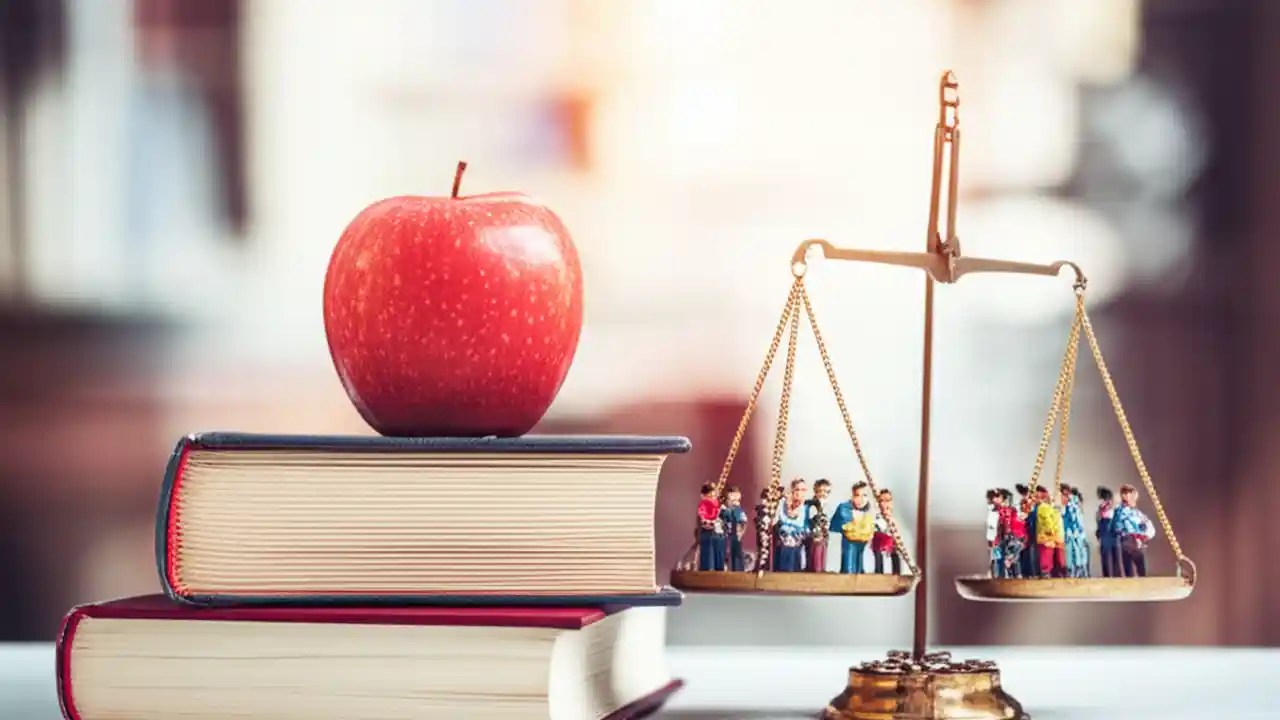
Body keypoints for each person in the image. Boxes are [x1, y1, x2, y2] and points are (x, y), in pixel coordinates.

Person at [830, 481, 875, 574]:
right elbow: (847, 529)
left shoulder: (868, 512)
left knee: (859, 564)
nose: (861, 499)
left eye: (865, 495)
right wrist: (861, 530)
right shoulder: (844, 508)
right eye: (857, 495)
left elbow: (869, 531)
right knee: (849, 564)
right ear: (852, 496)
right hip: (850, 543)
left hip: (861, 545)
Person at [1112, 483, 1157, 577]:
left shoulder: (1136, 512)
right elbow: (1120, 526)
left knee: (1139, 570)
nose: (1134, 498)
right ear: (1124, 495)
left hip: (1135, 542)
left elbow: (1147, 525)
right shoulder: (1122, 511)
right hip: (1128, 541)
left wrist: (1144, 535)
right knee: (1132, 571)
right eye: (1131, 495)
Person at [774, 478, 809, 572]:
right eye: (797, 489)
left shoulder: (806, 507)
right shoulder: (783, 503)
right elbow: (778, 518)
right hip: (784, 537)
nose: (799, 493)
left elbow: (805, 524)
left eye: (803, 490)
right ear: (792, 490)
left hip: (798, 538)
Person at [1034, 486, 1065, 578]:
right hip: (1055, 535)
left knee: (1046, 555)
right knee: (1054, 555)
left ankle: (1047, 573)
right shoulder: (1053, 508)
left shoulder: (1043, 507)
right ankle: (1055, 573)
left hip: (1046, 535)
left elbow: (1047, 521)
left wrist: (1050, 531)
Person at [995, 488, 1026, 578]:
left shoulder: (1010, 510)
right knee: (1002, 559)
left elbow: (1013, 523)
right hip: (1002, 538)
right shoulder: (999, 510)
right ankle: (1005, 576)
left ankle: (1016, 575)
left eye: (998, 497)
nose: (996, 499)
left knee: (1013, 558)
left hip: (1010, 537)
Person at [696, 483, 726, 571]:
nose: (713, 498)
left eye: (714, 496)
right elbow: (705, 522)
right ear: (703, 496)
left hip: (719, 536)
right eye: (710, 496)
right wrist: (713, 522)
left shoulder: (718, 506)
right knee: (708, 564)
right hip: (708, 536)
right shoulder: (703, 506)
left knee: (719, 564)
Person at [1061, 484, 1089, 578]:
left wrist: (1077, 532)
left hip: (1075, 534)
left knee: (1078, 555)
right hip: (1067, 535)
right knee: (1070, 557)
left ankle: (1080, 573)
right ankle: (1073, 573)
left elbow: (1078, 522)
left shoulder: (1073, 507)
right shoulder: (1064, 507)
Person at [872, 489, 901, 574]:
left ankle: (896, 573)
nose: (885, 504)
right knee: (877, 546)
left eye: (888, 500)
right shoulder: (877, 518)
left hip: (890, 537)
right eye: (882, 501)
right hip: (880, 537)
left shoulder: (893, 519)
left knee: (896, 549)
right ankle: (879, 572)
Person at [721, 486, 749, 571]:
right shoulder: (723, 510)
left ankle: (738, 571)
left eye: (737, 500)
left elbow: (744, 522)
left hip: (736, 536)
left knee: (737, 555)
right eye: (732, 500)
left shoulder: (739, 511)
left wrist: (741, 532)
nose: (735, 503)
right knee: (725, 554)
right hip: (725, 537)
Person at [806, 479, 831, 572]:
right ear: (815, 492)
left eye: (826, 491)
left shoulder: (826, 505)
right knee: (815, 556)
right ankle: (815, 571)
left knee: (822, 555)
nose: (823, 494)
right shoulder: (812, 504)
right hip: (815, 535)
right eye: (820, 491)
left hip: (824, 535)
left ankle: (821, 570)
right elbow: (813, 518)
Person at [1096, 486, 1120, 577]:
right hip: (1106, 533)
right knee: (1108, 558)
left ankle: (1110, 575)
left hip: (1108, 533)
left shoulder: (1109, 508)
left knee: (1109, 558)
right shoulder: (1104, 509)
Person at [1016, 483, 1037, 578]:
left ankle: (1029, 572)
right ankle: (1026, 572)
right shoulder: (1023, 503)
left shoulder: (1031, 503)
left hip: (1029, 530)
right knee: (1024, 552)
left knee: (1029, 552)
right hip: (1024, 530)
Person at [753, 488, 775, 571]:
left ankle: (767, 568)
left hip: (769, 532)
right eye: (765, 497)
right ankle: (759, 567)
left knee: (768, 551)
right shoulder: (760, 508)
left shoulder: (772, 508)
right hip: (762, 532)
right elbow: (757, 520)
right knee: (761, 550)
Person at [985, 489, 1001, 577]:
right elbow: (991, 525)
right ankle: (993, 574)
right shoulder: (991, 509)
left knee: (994, 557)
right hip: (991, 536)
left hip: (994, 536)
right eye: (996, 497)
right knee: (992, 557)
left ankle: (994, 574)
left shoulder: (996, 509)